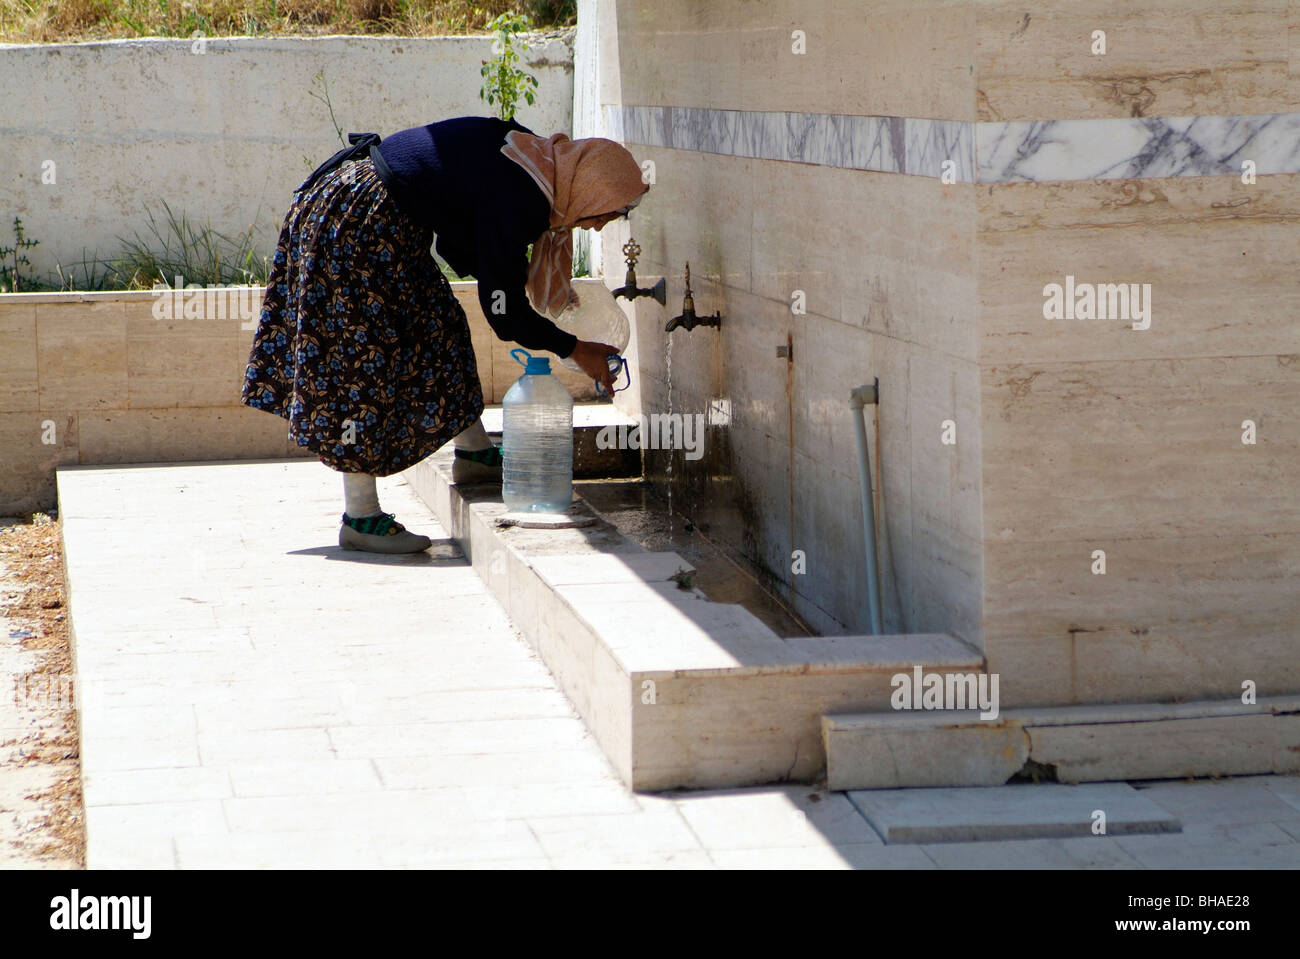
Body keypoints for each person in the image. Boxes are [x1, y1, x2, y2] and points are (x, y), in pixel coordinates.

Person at [241, 116, 649, 553]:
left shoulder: (538, 163)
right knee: (359, 360)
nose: (603, 225)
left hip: (377, 211)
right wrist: (574, 347)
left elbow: (465, 242)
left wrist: (505, 276)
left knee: (438, 327)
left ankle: (474, 454)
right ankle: (360, 517)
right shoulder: (521, 193)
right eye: (611, 210)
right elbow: (505, 314)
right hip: (358, 219)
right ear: (590, 187)